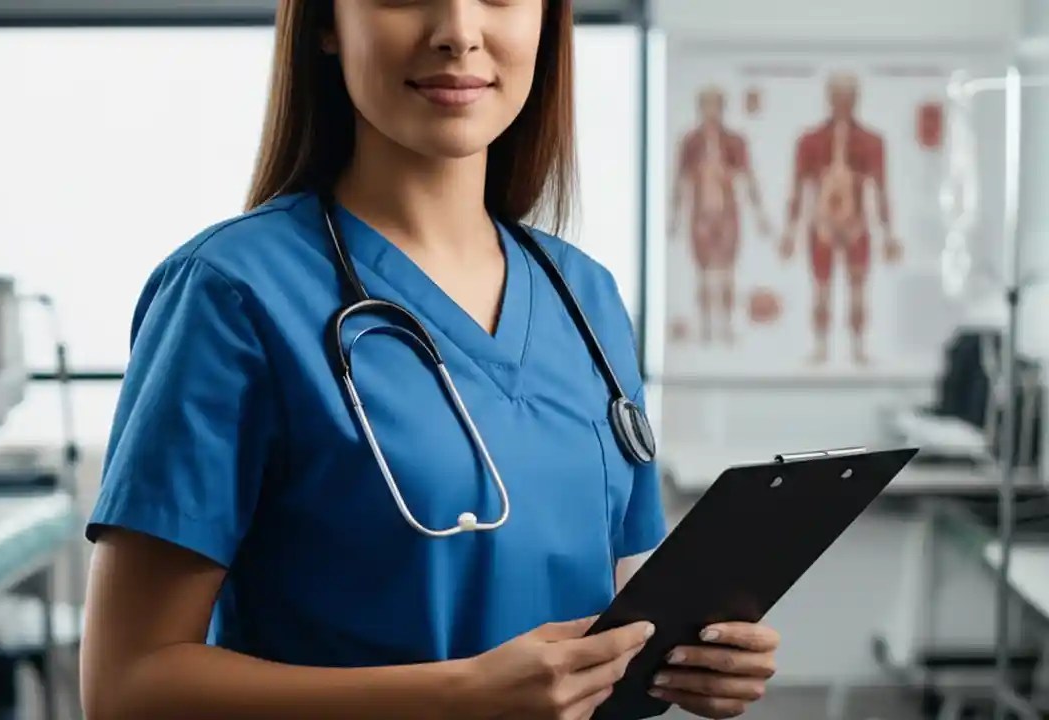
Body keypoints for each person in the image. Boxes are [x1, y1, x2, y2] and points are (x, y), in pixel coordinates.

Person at [80, 2, 781, 719]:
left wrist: (696, 659)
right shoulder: (231, 293)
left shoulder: (585, 297)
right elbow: (127, 686)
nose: (458, 31)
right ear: (326, 23)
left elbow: (623, 604)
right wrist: (457, 697)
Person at [781, 72, 902, 366]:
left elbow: (881, 190)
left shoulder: (872, 142)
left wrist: (888, 235)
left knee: (858, 289)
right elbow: (798, 189)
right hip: (821, 224)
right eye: (838, 96)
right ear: (829, 98)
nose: (843, 103)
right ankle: (821, 347)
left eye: (849, 97)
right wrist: (790, 231)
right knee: (821, 290)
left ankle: (858, 348)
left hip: (856, 224)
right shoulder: (809, 141)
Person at [669, 85, 771, 346]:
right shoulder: (691, 142)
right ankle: (706, 328)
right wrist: (674, 218)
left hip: (727, 213)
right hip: (701, 213)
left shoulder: (734, 142)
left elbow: (749, 180)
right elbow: (679, 182)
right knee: (704, 273)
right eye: (707, 105)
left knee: (726, 273)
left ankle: (725, 326)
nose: (711, 111)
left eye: (716, 105)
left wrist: (760, 216)